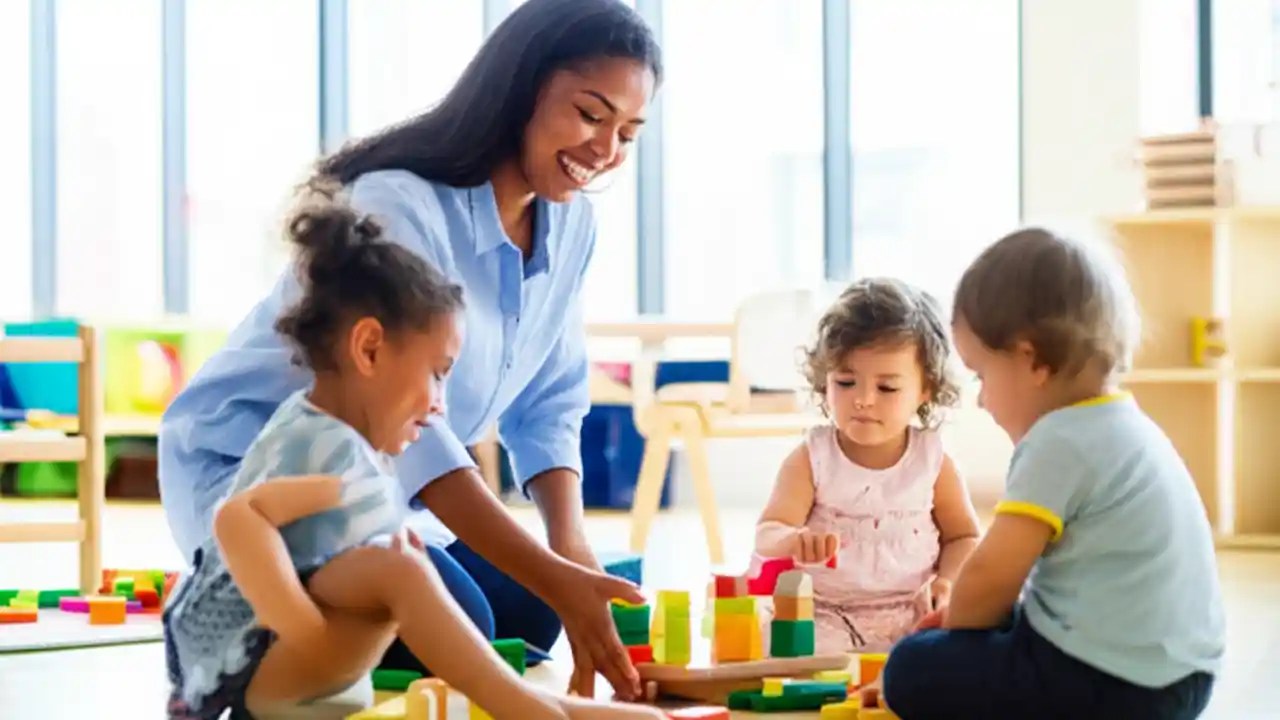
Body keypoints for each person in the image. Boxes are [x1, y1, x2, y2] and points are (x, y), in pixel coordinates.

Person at [158, 0, 661, 700]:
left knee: (534, 612)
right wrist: (555, 581)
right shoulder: (398, 202)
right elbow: (414, 432)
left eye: (628, 133)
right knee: (462, 621)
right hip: (261, 471)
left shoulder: (571, 226)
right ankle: (234, 615)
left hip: (377, 482)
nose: (606, 151)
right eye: (590, 115)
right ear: (523, 86)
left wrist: (569, 557)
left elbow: (551, 401)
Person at [163, 192, 661, 720]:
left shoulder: (351, 447)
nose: (441, 404)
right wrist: (303, 625)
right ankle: (533, 711)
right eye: (438, 374)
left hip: (299, 679)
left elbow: (326, 554)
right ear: (369, 349)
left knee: (406, 565)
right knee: (402, 571)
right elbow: (238, 518)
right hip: (253, 666)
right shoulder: (315, 444)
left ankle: (542, 705)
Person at [875, 228, 1225, 719]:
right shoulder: (1124, 426)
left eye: (981, 374)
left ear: (1032, 360)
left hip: (1111, 684)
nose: (982, 399)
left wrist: (951, 631)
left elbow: (993, 574)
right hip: (1180, 679)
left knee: (911, 666)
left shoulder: (1058, 441)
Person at [753, 278, 981, 654]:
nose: (863, 399)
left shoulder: (932, 461)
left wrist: (947, 582)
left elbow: (963, 537)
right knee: (776, 649)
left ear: (926, 388)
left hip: (913, 614)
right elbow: (767, 532)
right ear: (824, 379)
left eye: (886, 388)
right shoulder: (812, 458)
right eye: (845, 382)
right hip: (824, 614)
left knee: (969, 650)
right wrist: (793, 540)